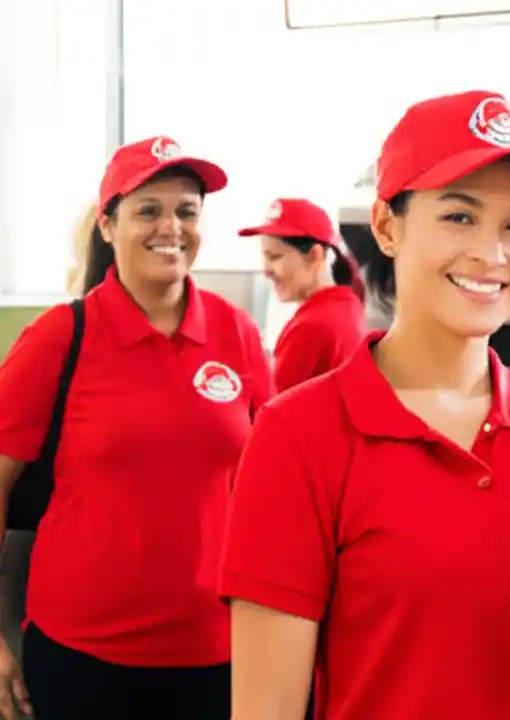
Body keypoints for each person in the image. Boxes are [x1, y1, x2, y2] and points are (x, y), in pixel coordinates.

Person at [220, 90, 510, 720]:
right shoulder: (300, 435)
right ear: (388, 227)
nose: (493, 254)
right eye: (459, 217)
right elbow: (266, 710)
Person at [0, 135, 274, 720]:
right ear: (107, 224)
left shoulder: (239, 334)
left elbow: (273, 489)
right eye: (148, 209)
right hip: (83, 654)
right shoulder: (60, 337)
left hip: (217, 651)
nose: (170, 227)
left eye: (187, 211)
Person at [239, 198, 368, 392]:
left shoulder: (311, 327)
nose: (266, 270)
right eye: (264, 257)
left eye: (275, 257)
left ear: (314, 255)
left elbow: (270, 412)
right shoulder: (346, 304)